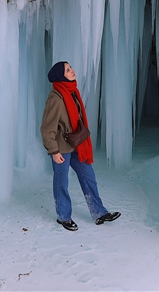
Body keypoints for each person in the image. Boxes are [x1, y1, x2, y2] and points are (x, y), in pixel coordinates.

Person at [40, 61, 120, 231]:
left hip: (77, 144)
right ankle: (63, 217)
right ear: (61, 76)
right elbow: (47, 128)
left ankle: (99, 212)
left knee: (88, 177)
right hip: (62, 148)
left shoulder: (72, 91)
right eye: (68, 70)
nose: (72, 71)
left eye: (70, 68)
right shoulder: (56, 97)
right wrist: (54, 151)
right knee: (61, 182)